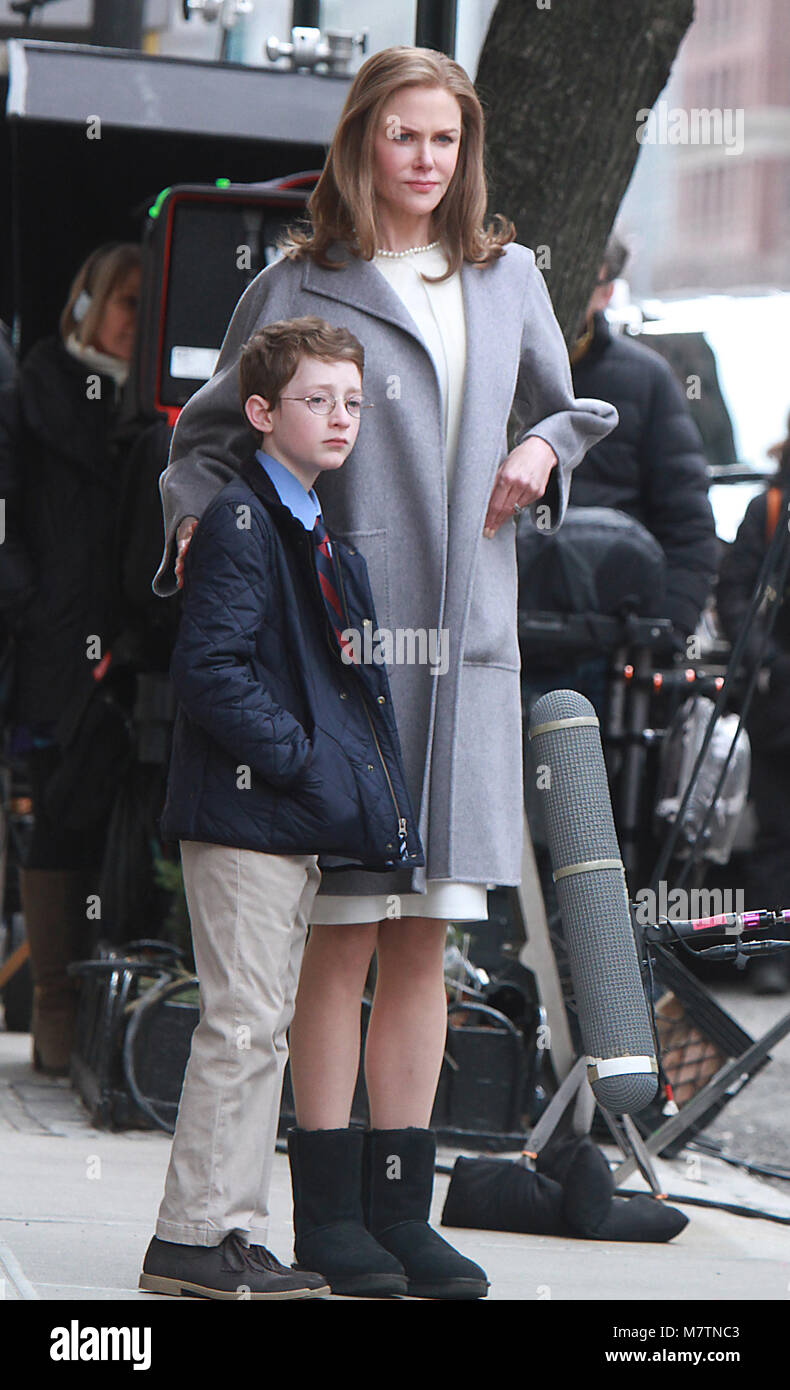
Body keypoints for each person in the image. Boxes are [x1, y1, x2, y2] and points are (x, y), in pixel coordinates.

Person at [152, 47, 617, 1298]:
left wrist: (537, 448)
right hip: (341, 655)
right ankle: (332, 1217)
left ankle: (404, 1212)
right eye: (402, 137)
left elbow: (573, 412)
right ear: (362, 144)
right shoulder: (302, 279)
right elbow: (205, 436)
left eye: (445, 140)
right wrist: (198, 521)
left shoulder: (508, 275)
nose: (425, 161)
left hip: (466, 657)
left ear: (466, 153)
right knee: (342, 936)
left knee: (427, 937)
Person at [140, 316, 424, 1300]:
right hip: (244, 819)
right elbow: (210, 672)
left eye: (351, 401)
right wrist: (298, 762)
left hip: (272, 818)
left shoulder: (301, 518)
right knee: (245, 1021)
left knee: (256, 1025)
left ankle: (229, 1235)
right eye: (317, 399)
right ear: (259, 412)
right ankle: (196, 1241)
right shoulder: (244, 517)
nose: (340, 417)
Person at [0, 242, 141, 1073]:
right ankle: (56, 1000)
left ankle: (112, 1004)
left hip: (132, 643)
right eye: (123, 300)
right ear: (86, 305)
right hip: (57, 643)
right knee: (62, 817)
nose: (134, 318)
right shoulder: (35, 392)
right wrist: (26, 603)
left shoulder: (167, 405)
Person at [569, 234, 717, 649]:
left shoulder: (648, 379)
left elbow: (688, 523)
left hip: (610, 643)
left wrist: (665, 632)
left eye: (586, 281)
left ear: (607, 292)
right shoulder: (496, 367)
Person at [717, 417, 790, 995]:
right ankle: (770, 956)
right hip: (781, 700)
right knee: (777, 831)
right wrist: (768, 659)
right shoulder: (768, 509)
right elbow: (734, 594)